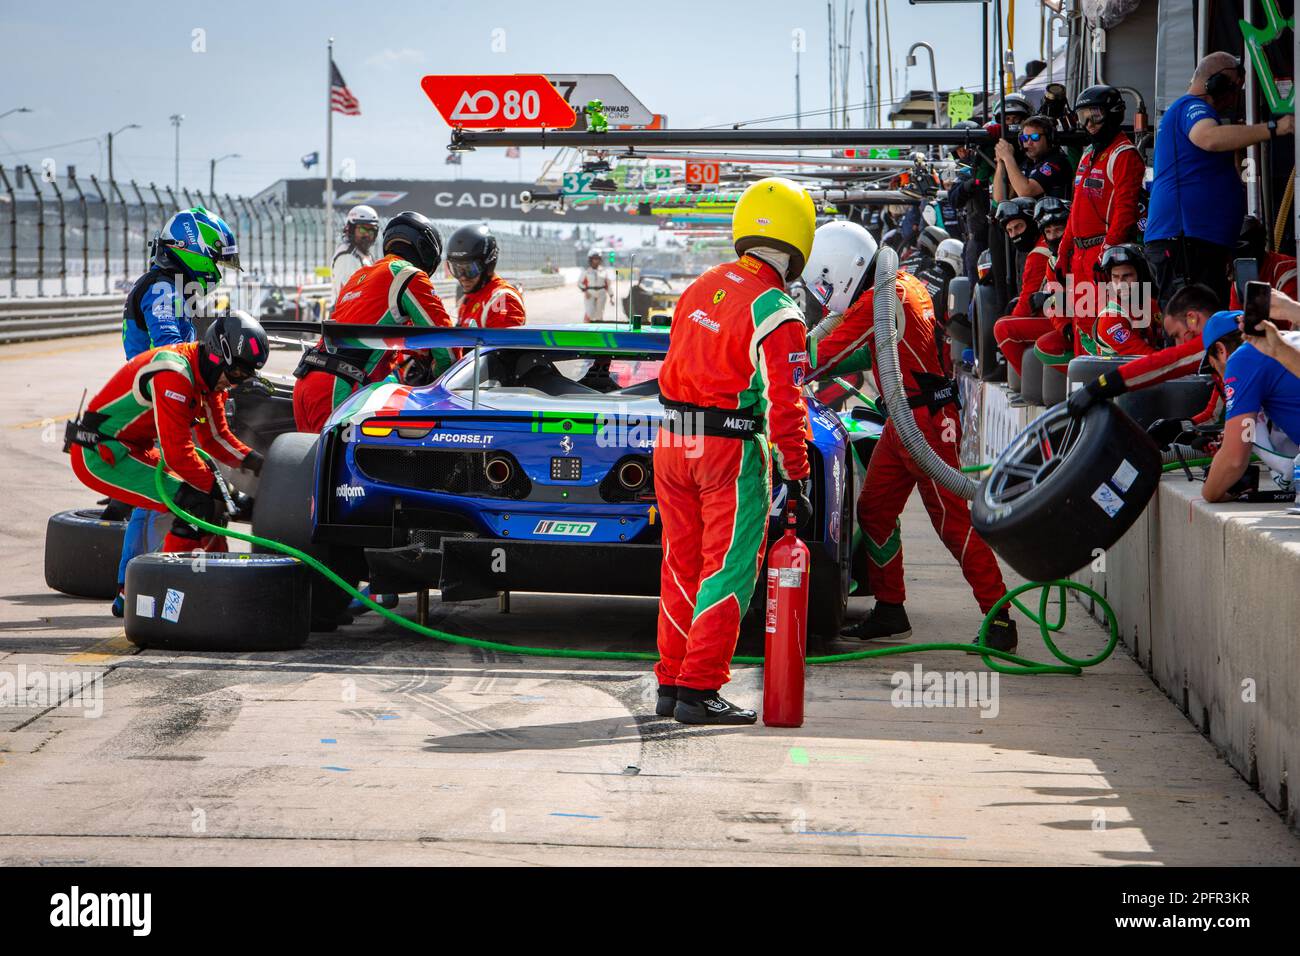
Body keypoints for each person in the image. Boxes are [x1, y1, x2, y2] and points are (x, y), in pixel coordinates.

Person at [802, 220, 1017, 651]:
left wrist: (769, 360)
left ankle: (1000, 619)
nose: (823, 297)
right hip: (906, 422)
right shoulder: (901, 285)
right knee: (876, 510)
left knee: (954, 523)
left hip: (925, 424)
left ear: (839, 269)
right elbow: (869, 349)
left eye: (822, 285)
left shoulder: (882, 299)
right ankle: (890, 610)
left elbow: (819, 355)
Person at [653, 177, 814, 726]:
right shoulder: (779, 309)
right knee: (728, 570)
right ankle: (699, 690)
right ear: (799, 240)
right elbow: (786, 406)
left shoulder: (701, 282)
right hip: (729, 450)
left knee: (680, 563)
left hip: (672, 440)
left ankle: (671, 684)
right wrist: (796, 471)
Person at [66, 313, 267, 602]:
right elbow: (176, 452)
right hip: (99, 453)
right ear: (217, 355)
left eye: (246, 377)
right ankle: (154, 597)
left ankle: (213, 586)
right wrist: (219, 490)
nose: (235, 383)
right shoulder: (174, 373)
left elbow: (216, 437)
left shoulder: (210, 379)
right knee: (194, 502)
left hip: (135, 448)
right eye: (237, 374)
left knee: (212, 503)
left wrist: (258, 464)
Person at [113, 206, 241, 616]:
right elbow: (168, 349)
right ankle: (133, 589)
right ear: (194, 249)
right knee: (159, 496)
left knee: (164, 496)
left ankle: (136, 585)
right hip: (155, 406)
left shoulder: (172, 287)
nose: (217, 270)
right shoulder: (162, 290)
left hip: (161, 403)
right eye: (215, 258)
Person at [1145, 53, 1294, 307]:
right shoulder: (1192, 107)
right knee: (1195, 328)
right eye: (1234, 87)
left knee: (1206, 327)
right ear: (1216, 83)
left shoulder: (1191, 112)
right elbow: (1209, 138)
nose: (1235, 97)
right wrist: (1274, 128)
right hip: (1186, 242)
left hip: (1195, 243)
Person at [292, 211, 453, 433]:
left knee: (308, 465)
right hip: (340, 385)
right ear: (426, 250)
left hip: (306, 380)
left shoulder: (359, 277)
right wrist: (446, 383)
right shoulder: (409, 275)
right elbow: (447, 347)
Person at [1055, 85, 1146, 367]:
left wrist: (1106, 253)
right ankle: (1079, 393)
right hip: (1079, 255)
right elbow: (1076, 210)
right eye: (1083, 116)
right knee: (1080, 323)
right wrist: (1063, 250)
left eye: (1095, 115)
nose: (1088, 124)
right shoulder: (1087, 154)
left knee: (1103, 323)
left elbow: (1124, 211)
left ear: (1114, 114)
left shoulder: (1124, 154)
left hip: (1102, 255)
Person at [1067, 283, 1226, 433]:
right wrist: (1178, 427)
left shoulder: (1219, 339)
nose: (1178, 345)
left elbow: (1165, 364)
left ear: (1193, 319)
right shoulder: (1224, 350)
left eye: (1176, 335)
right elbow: (1214, 417)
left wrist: (1099, 386)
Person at [1198, 310, 1300, 501]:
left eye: (1215, 368)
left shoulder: (1242, 359)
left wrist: (1210, 493)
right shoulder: (1288, 339)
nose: (1221, 378)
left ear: (1221, 351)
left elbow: (1234, 459)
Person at [994, 196, 1070, 376]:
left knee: (1003, 328)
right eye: (1010, 230)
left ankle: (1030, 383)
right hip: (1062, 318)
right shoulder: (1051, 254)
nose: (1015, 234)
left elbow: (1026, 305)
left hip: (1075, 322)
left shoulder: (1040, 254)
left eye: (1019, 227)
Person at [1077, 243, 1161, 357]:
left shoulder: (1152, 304)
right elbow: (1146, 357)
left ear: (1141, 276)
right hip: (1126, 372)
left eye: (1127, 276)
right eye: (1115, 277)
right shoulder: (1110, 319)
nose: (1121, 283)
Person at [446, 223, 526, 328]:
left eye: (470, 269)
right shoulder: (468, 297)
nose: (463, 277)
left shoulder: (503, 300)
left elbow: (504, 344)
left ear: (488, 265)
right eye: (456, 269)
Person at [993, 113, 1075, 203]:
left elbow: (1026, 191)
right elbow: (1000, 198)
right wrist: (1001, 161)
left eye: (1034, 137)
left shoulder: (1057, 162)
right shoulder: (1025, 165)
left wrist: (1008, 158)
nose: (1029, 142)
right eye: (1024, 138)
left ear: (1049, 138)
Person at [330, 205, 380, 302]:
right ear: (351, 229)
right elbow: (348, 296)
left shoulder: (363, 254)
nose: (367, 234)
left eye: (371, 230)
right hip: (348, 315)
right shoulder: (347, 256)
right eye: (362, 229)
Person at [579, 250, 613, 322]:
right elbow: (580, 283)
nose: (596, 260)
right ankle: (585, 327)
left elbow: (608, 284)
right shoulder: (586, 271)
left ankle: (598, 329)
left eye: (598, 258)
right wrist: (585, 291)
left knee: (599, 314)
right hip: (590, 293)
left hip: (602, 293)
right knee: (590, 312)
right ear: (591, 259)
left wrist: (611, 296)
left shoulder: (604, 271)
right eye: (594, 258)